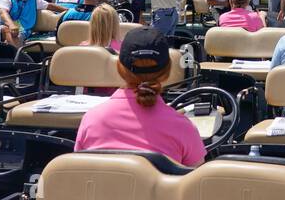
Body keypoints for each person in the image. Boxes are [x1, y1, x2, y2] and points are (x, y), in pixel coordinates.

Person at [75, 27, 204, 164]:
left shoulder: (91, 121)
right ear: (167, 71)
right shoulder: (183, 128)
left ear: (119, 67)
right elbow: (197, 181)